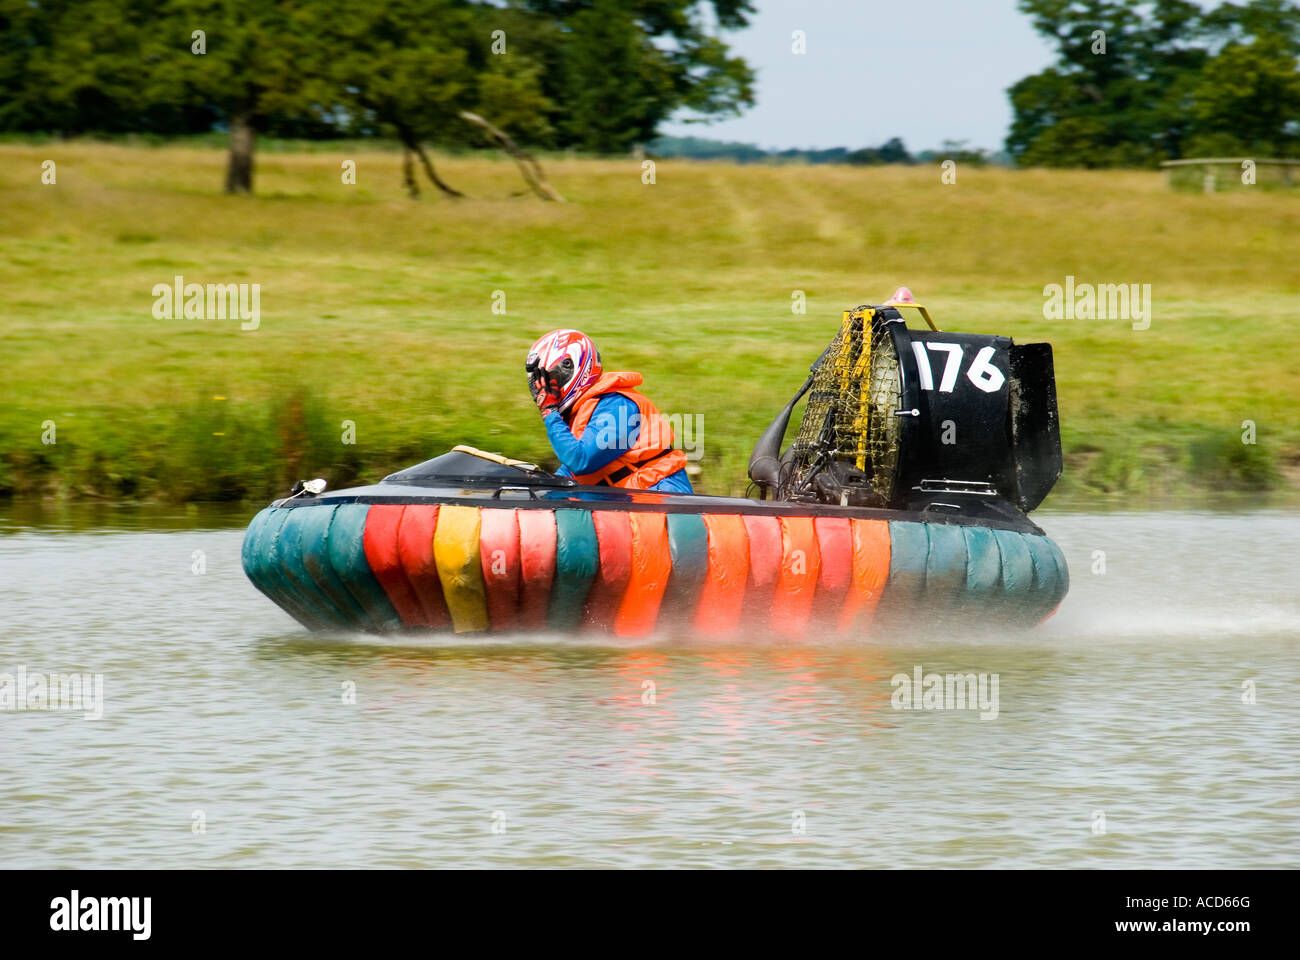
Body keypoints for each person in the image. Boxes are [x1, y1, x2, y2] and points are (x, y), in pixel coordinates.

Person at [525, 329, 693, 492]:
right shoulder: (582, 412)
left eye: (548, 382)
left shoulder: (618, 406)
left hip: (663, 498)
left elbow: (580, 460)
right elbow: (570, 472)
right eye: (538, 384)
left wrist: (549, 412)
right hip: (629, 502)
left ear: (570, 368)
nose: (544, 392)